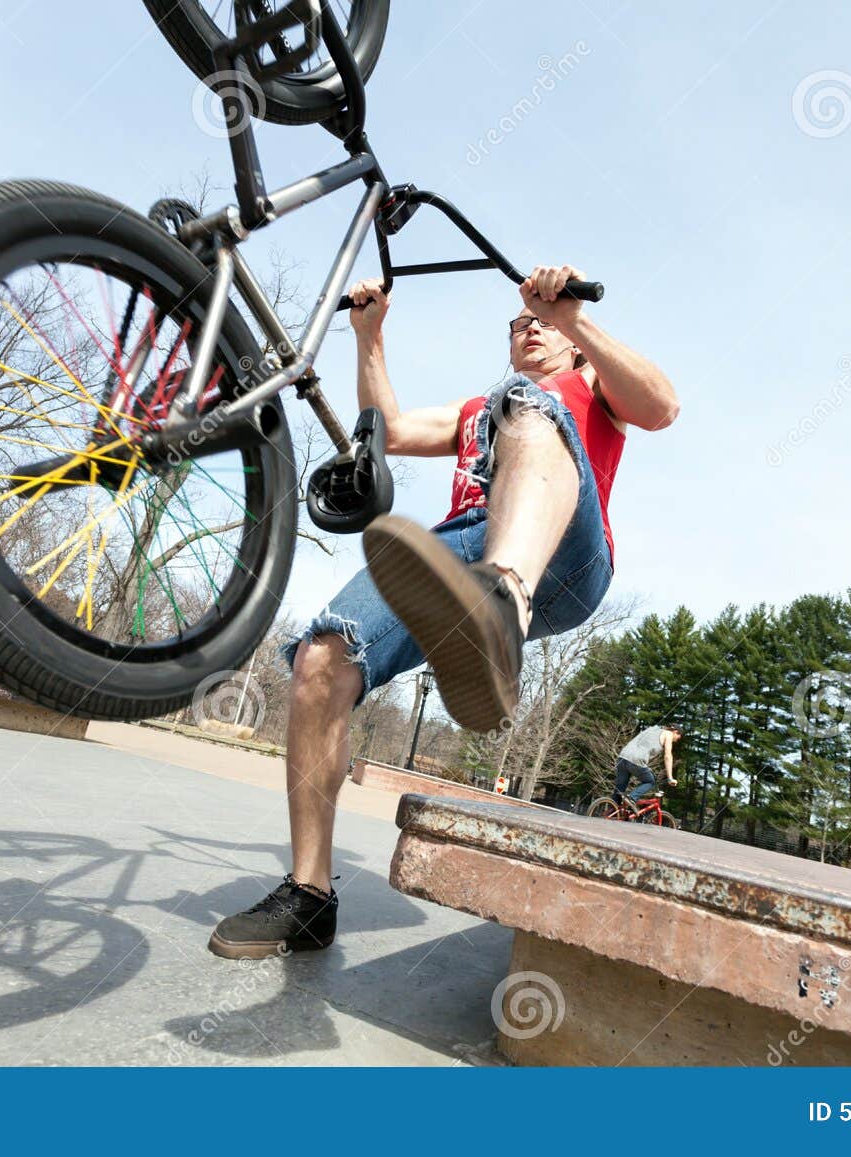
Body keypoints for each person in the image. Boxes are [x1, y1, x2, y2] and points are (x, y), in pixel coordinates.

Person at [208, 264, 680, 959]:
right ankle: (309, 897)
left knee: (523, 404)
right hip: (463, 547)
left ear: (575, 341)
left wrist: (575, 316)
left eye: (543, 322)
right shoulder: (474, 412)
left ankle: (504, 602)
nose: (529, 324)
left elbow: (662, 406)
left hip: (565, 557)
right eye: (520, 321)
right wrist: (368, 335)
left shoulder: (592, 386)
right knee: (321, 657)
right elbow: (388, 429)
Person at [612, 723, 682, 809]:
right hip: (636, 760)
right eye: (678, 738)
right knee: (650, 781)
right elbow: (668, 756)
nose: (676, 741)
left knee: (619, 790)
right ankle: (632, 797)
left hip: (623, 756)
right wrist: (670, 778)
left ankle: (612, 812)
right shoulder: (668, 734)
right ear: (675, 731)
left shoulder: (653, 729)